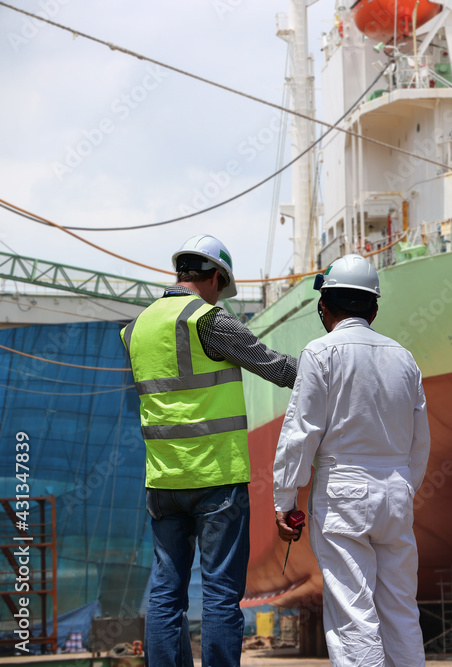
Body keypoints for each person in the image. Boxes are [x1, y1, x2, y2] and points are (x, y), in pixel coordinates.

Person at [120, 234, 298, 667]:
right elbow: (275, 367)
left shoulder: (134, 329)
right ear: (216, 277)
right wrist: (332, 368)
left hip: (163, 481)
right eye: (222, 287)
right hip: (217, 479)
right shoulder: (208, 321)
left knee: (166, 592)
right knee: (220, 592)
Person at [272, 254, 431, 667]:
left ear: (323, 307)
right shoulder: (405, 358)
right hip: (396, 493)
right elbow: (420, 443)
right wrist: (403, 486)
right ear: (374, 309)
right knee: (401, 610)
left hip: (343, 495)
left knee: (352, 615)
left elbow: (300, 434)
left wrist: (285, 502)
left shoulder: (320, 353)